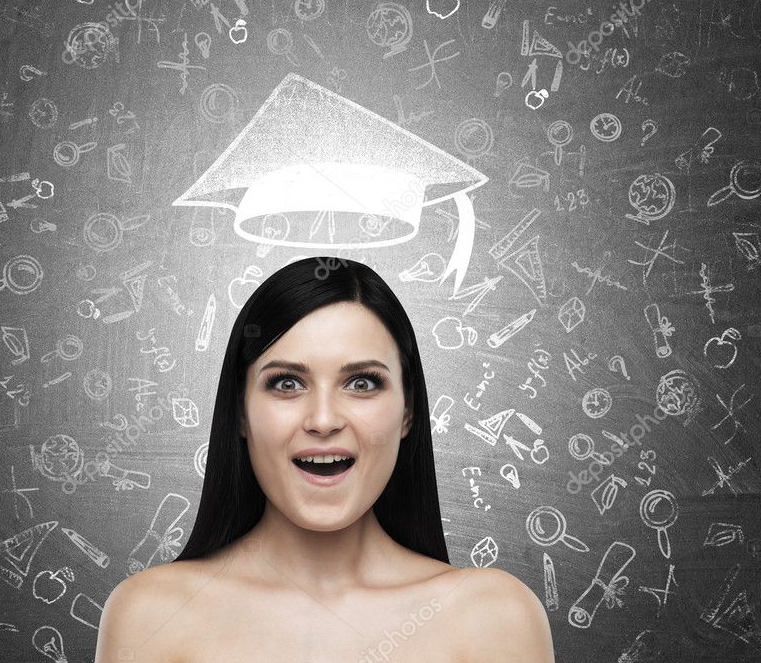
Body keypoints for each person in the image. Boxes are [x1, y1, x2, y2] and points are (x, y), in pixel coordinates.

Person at [96, 257, 554, 662]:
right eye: (287, 384)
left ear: (408, 410)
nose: (322, 419)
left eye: (361, 383)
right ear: (239, 411)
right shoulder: (150, 615)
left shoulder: (493, 617)